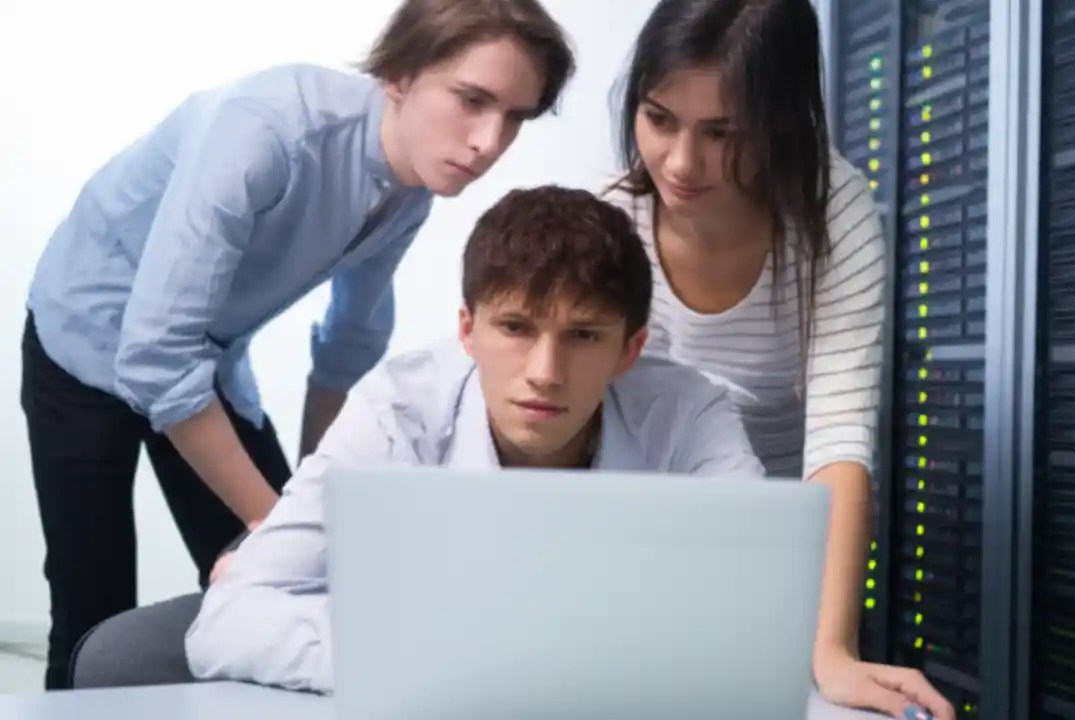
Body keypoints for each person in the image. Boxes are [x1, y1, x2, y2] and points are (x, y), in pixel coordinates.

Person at [20, 0, 574, 690]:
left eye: (515, 117)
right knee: (91, 597)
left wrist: (319, 494)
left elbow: (348, 343)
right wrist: (271, 519)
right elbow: (155, 354)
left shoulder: (412, 189)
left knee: (279, 589)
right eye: (472, 100)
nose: (489, 142)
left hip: (204, 353)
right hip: (85, 338)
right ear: (400, 73)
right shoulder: (264, 132)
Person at [180, 185, 765, 693]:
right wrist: (443, 656)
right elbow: (228, 622)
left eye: (583, 336)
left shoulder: (689, 414)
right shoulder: (396, 411)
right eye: (515, 327)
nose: (545, 371)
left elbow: (759, 614)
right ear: (468, 330)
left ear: (629, 351)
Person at [601, 2, 954, 719]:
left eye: (720, 132)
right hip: (643, 541)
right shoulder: (611, 219)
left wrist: (832, 652)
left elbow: (839, 437)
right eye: (659, 118)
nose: (679, 161)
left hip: (782, 538)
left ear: (779, 120)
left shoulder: (833, 212)